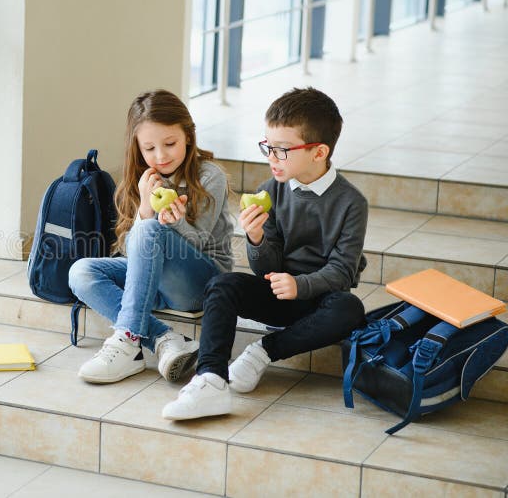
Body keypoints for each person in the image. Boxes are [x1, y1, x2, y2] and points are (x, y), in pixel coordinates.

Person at [162, 87, 368, 419]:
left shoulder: (351, 203)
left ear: (318, 152)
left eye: (282, 150)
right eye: (268, 147)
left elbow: (343, 271)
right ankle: (211, 379)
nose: (271, 158)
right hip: (277, 295)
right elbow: (264, 271)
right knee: (223, 285)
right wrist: (256, 238)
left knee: (350, 308)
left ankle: (263, 352)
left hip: (320, 303)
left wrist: (301, 285)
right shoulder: (269, 190)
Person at [69, 89, 235, 384]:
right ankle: (164, 339)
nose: (160, 156)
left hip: (202, 283)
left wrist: (168, 222)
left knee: (149, 229)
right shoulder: (143, 179)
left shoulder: (210, 176)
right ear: (138, 147)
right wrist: (145, 208)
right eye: (149, 148)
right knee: (81, 272)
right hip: (153, 281)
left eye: (170, 144)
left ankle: (128, 339)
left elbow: (194, 244)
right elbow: (128, 253)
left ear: (188, 136)